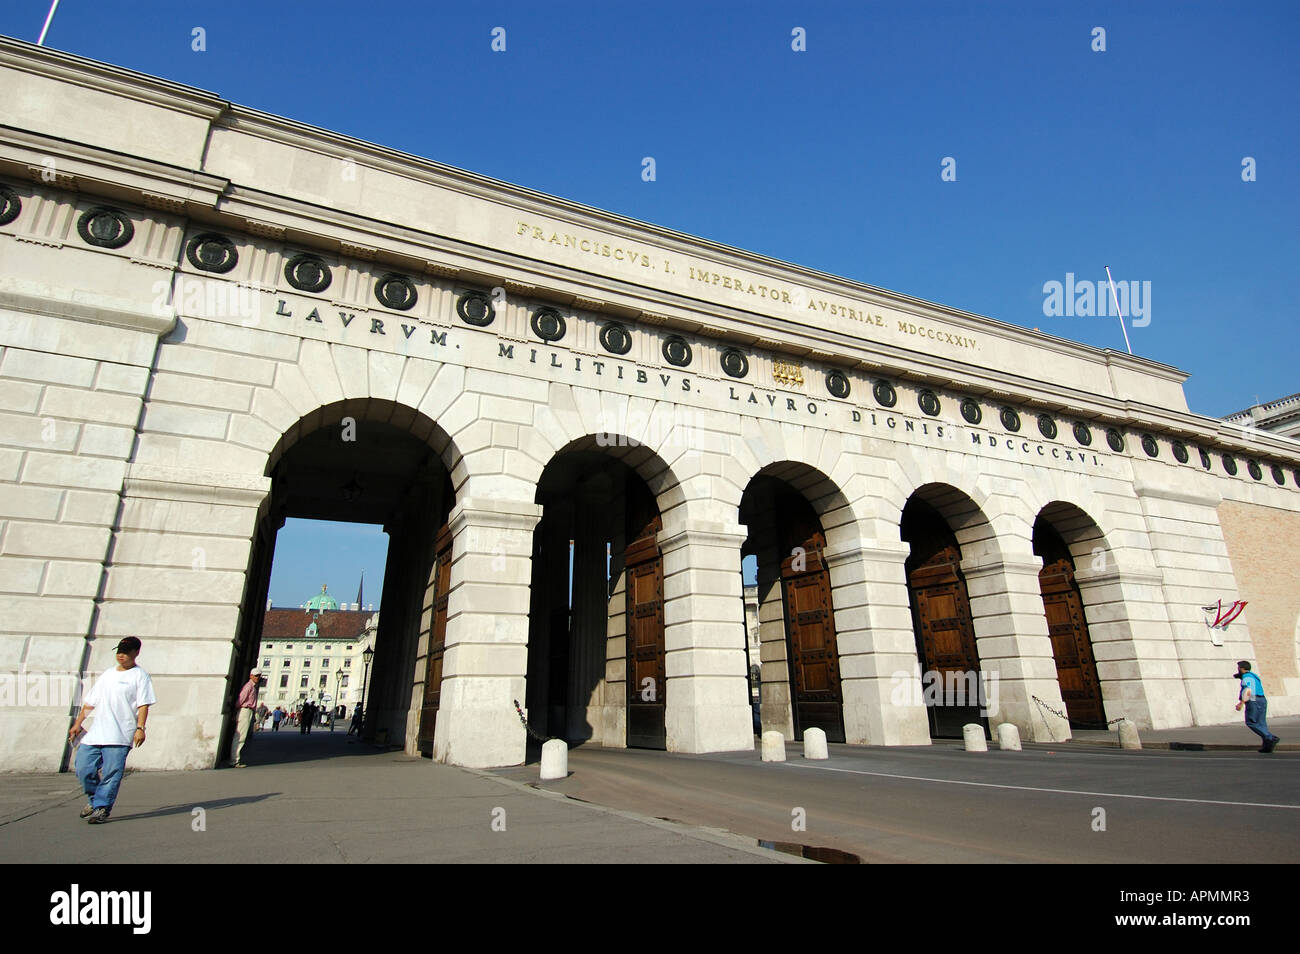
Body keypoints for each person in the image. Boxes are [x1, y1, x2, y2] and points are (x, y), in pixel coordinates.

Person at [68, 636, 156, 824]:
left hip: (120, 734)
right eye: (119, 652)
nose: (121, 656)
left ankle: (101, 808)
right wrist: (77, 723)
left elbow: (143, 705)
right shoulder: (108, 674)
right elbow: (90, 702)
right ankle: (94, 800)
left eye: (126, 652)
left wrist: (140, 728)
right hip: (96, 733)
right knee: (83, 768)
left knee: (111, 773)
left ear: (136, 653)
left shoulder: (140, 676)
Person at [1235, 660, 1280, 753]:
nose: (1238, 669)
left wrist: (1241, 703)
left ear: (1242, 668)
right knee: (1261, 723)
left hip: (1253, 700)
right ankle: (1267, 746)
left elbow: (1248, 690)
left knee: (1251, 722)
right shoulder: (1253, 675)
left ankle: (1270, 738)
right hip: (1262, 699)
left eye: (1238, 668)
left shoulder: (1246, 677)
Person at [228, 668, 262, 767]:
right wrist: (236, 710)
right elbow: (240, 699)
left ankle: (235, 759)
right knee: (240, 736)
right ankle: (234, 760)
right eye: (256, 675)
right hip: (244, 710)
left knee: (241, 735)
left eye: (259, 676)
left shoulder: (252, 686)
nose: (257, 677)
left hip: (248, 711)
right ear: (251, 676)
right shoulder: (248, 687)